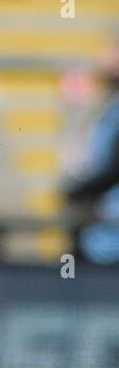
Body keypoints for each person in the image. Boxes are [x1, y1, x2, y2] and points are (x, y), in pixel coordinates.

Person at [63, 45, 119, 263]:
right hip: (101, 226)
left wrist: (79, 192)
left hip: (107, 231)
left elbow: (111, 168)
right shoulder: (107, 108)